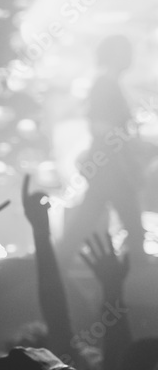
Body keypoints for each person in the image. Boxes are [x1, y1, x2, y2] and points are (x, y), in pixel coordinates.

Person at [58, 35, 145, 262]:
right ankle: (140, 272)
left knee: (86, 220)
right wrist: (126, 138)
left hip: (109, 165)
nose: (131, 57)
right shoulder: (105, 85)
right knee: (131, 223)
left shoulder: (109, 84)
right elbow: (99, 127)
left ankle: (56, 264)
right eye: (126, 51)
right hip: (111, 166)